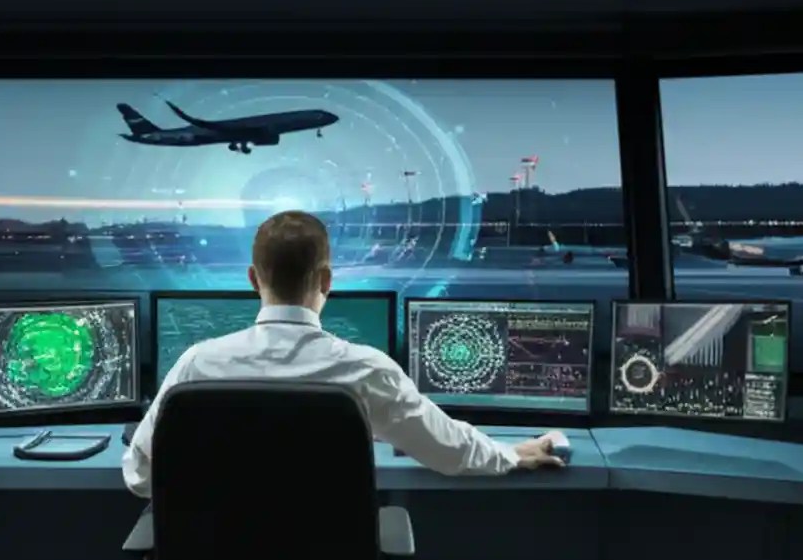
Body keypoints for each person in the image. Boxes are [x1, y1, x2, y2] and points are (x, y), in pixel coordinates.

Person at [121, 210, 564, 498]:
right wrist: (511, 454)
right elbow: (450, 450)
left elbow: (140, 477)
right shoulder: (365, 371)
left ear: (253, 279)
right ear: (327, 280)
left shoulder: (196, 365)